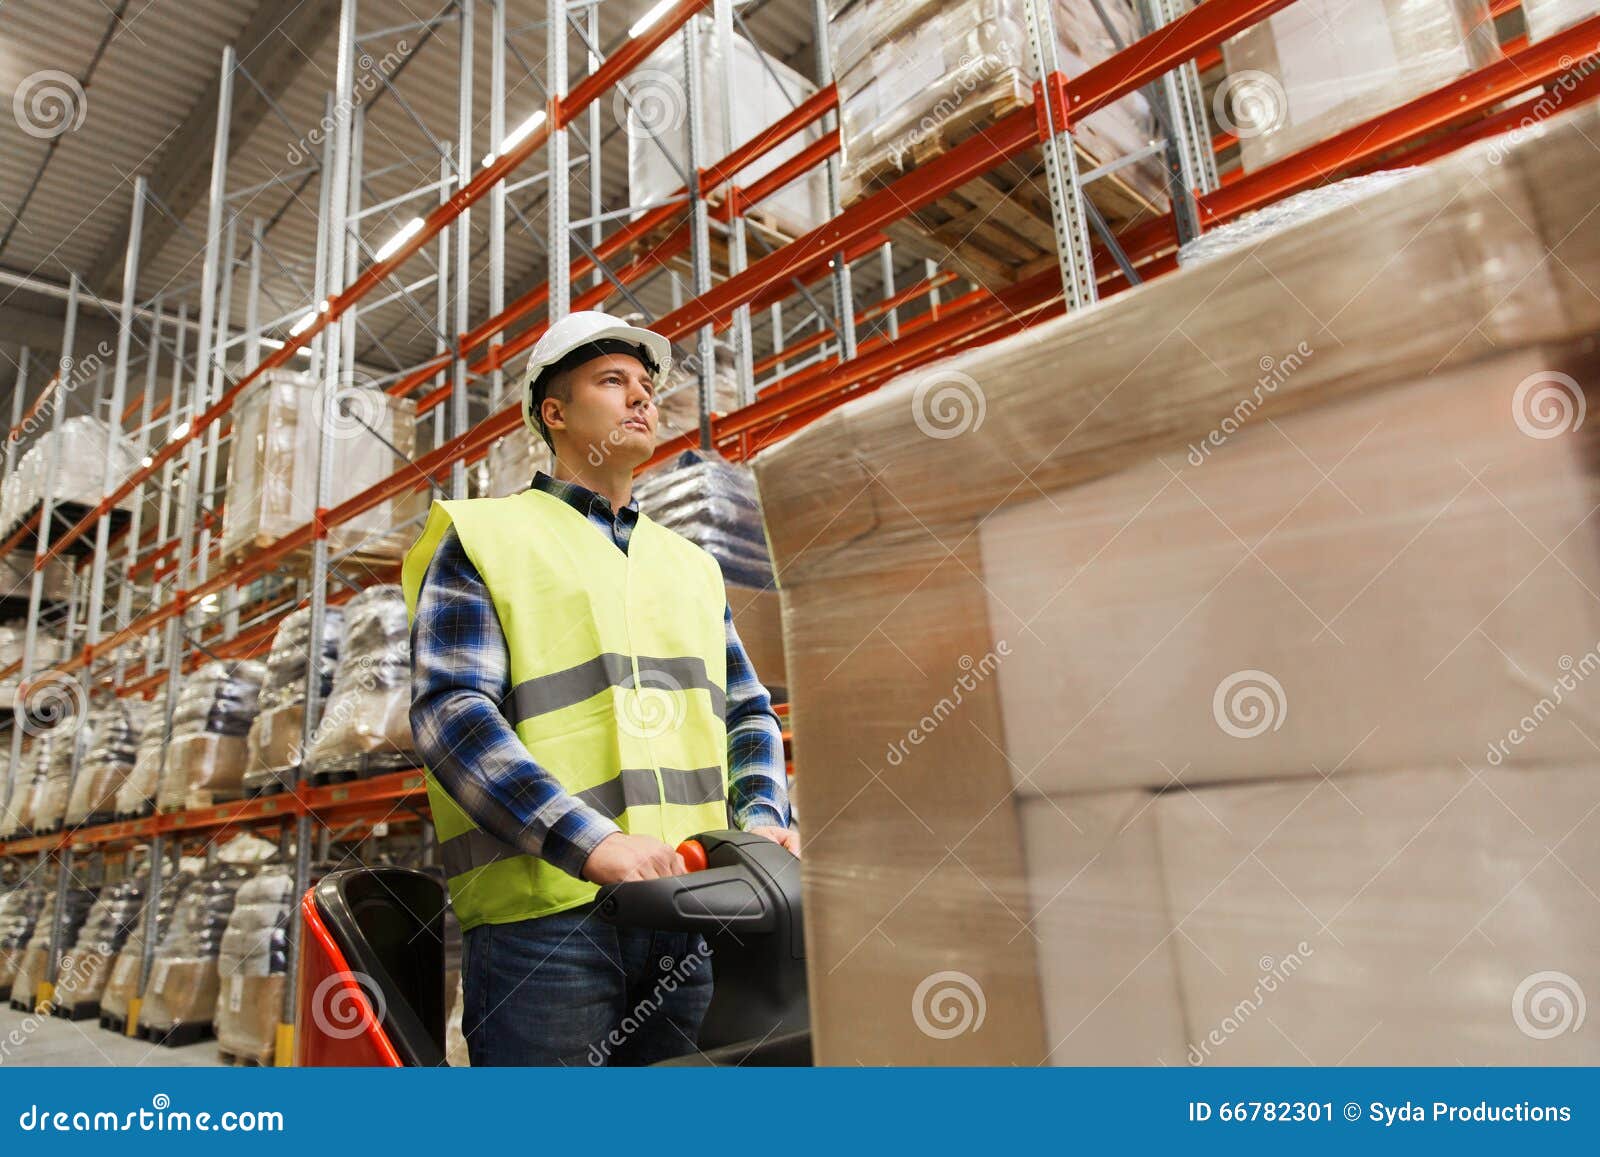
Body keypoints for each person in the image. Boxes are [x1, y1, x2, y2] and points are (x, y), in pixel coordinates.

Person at [402, 311, 795, 1067]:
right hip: (545, 922)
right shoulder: (486, 534)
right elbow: (452, 715)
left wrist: (763, 820)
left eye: (647, 386)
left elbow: (746, 710)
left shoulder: (690, 564)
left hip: (691, 907)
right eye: (613, 382)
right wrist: (592, 843)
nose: (641, 399)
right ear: (554, 413)